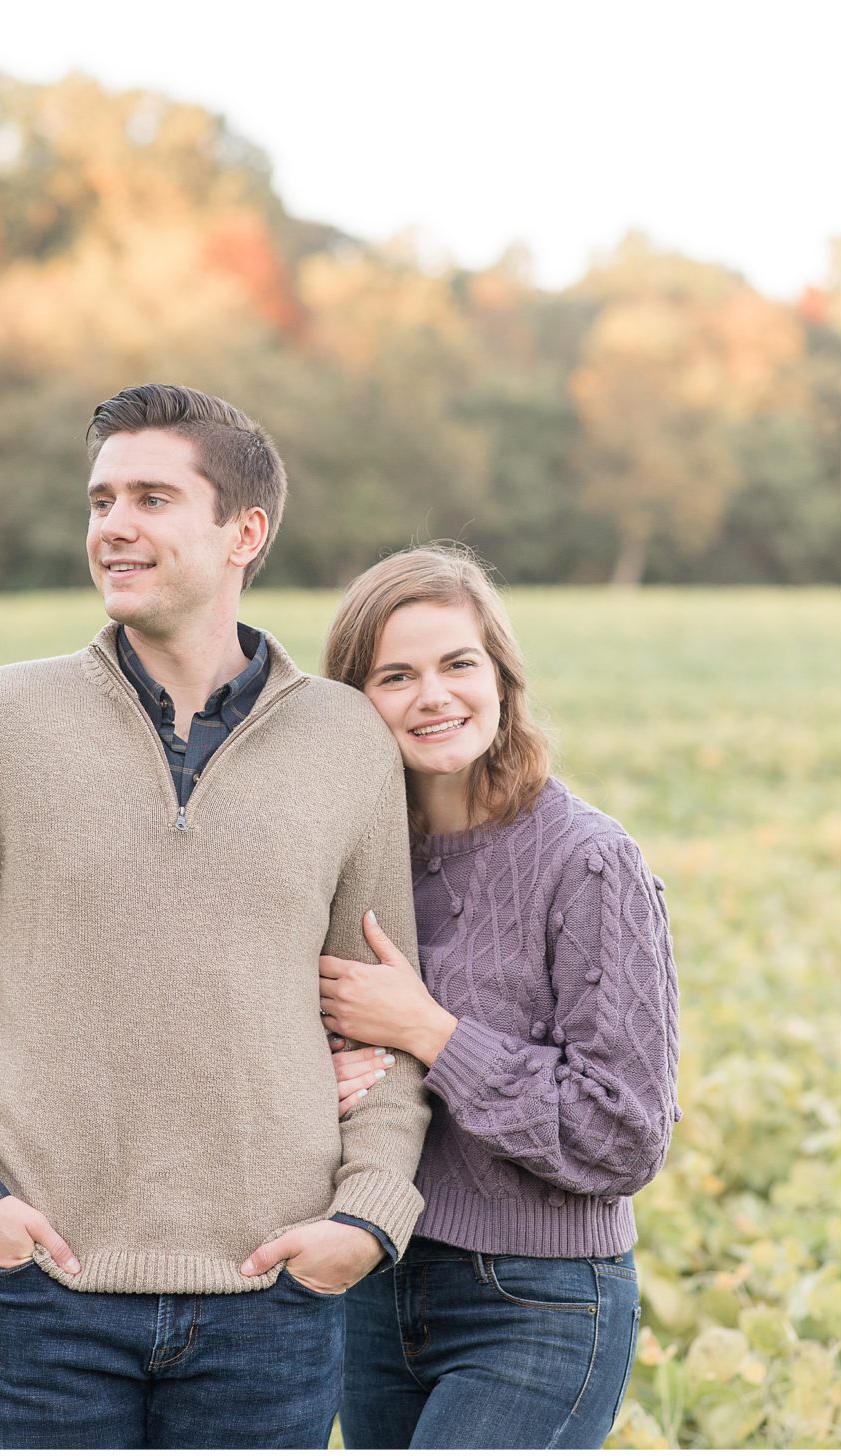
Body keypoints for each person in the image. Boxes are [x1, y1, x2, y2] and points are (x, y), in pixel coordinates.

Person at [0, 384, 431, 1451]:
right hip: (41, 1298)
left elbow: (385, 1016)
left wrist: (365, 1214)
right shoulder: (0, 721)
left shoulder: (347, 742)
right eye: (102, 499)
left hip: (274, 1309)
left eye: (152, 497)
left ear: (244, 530)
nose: (113, 524)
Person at [319, 545, 680, 1450]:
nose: (433, 695)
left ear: (502, 678)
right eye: (395, 675)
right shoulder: (350, 865)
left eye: (457, 664)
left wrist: (432, 1034)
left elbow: (624, 1131)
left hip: (539, 1302)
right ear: (354, 704)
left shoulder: (589, 862)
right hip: (373, 1281)